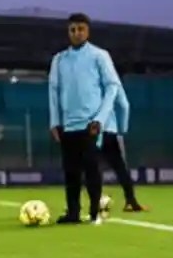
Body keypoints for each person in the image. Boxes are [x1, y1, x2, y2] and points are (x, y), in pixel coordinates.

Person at [48, 13, 122, 225]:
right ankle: (73, 213)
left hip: (91, 124)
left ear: (87, 31)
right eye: (72, 29)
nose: (76, 33)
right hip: (68, 126)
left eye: (80, 29)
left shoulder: (100, 56)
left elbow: (112, 87)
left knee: (92, 170)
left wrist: (100, 118)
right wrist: (55, 121)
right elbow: (53, 91)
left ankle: (94, 213)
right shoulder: (59, 59)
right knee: (70, 173)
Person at [100, 86, 148, 212]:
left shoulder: (88, 83)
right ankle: (131, 201)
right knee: (120, 167)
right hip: (109, 130)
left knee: (89, 167)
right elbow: (124, 105)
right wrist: (121, 129)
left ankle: (87, 204)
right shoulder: (111, 81)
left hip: (88, 129)